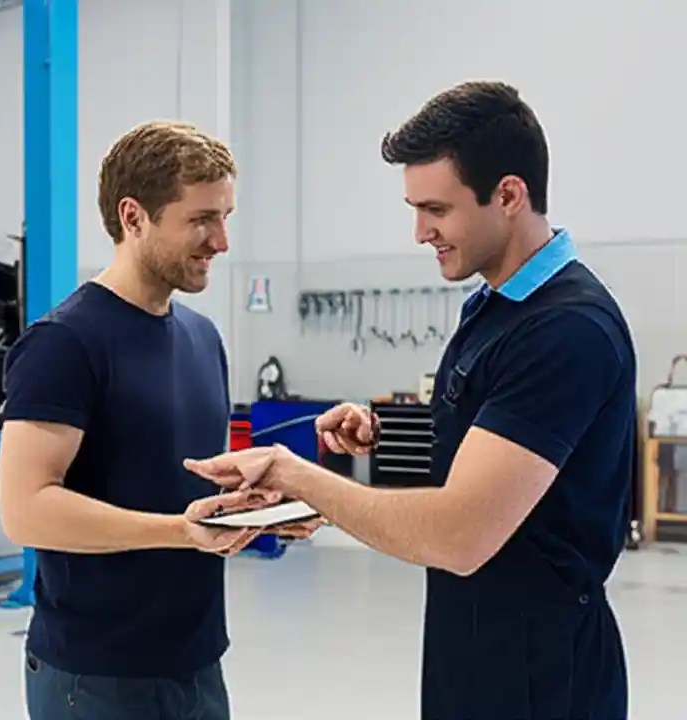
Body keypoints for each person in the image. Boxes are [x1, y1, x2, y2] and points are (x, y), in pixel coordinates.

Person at [185, 81, 636, 719]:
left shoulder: (565, 328)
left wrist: (300, 478)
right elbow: (503, 447)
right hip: (476, 647)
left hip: (540, 677)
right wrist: (383, 434)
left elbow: (460, 532)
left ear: (508, 195)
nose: (421, 231)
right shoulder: (496, 307)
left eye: (436, 209)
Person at [0, 120, 315, 720]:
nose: (221, 241)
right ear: (133, 216)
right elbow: (24, 509)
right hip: (97, 675)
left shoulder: (203, 338)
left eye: (226, 217)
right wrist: (179, 531)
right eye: (201, 220)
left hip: (196, 660)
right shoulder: (64, 343)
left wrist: (263, 507)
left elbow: (185, 481)